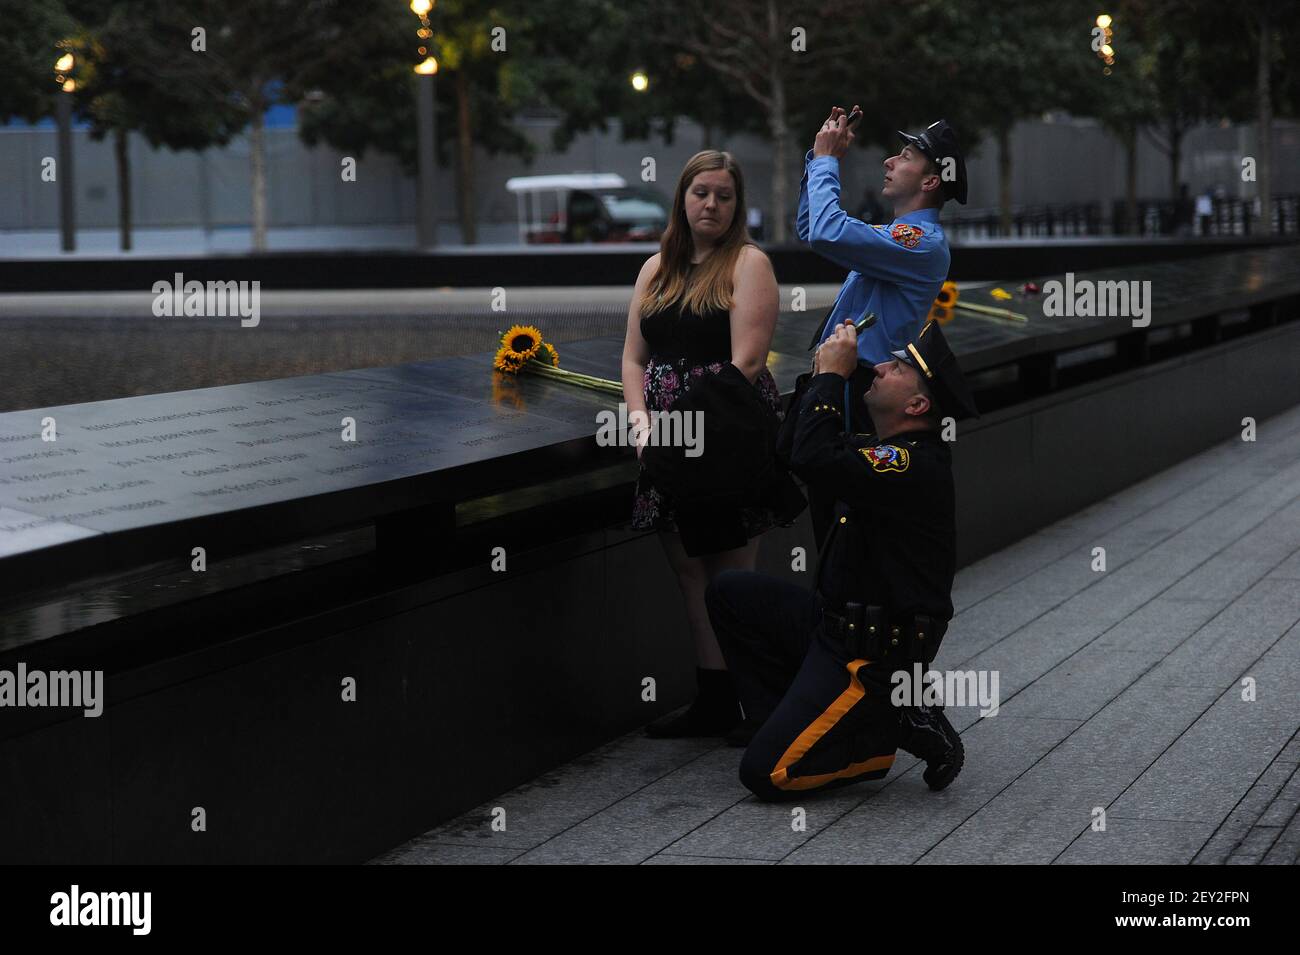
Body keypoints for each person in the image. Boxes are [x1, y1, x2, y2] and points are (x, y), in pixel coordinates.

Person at [705, 317, 979, 800]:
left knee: (767, 775)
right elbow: (793, 450)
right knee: (730, 592)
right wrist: (818, 377)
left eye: (896, 368)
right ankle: (787, 719)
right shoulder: (886, 452)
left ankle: (882, 734)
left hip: (870, 656)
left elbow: (815, 457)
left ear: (916, 405)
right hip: (832, 625)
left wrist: (834, 377)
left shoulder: (912, 463)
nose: (880, 366)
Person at [621, 150, 793, 738]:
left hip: (727, 434)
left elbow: (745, 362)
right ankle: (713, 699)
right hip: (666, 440)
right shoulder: (655, 269)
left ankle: (757, 703)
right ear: (682, 199)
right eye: (701, 194)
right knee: (690, 573)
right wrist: (643, 426)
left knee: (733, 574)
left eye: (723, 195)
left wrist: (680, 429)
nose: (711, 204)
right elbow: (632, 359)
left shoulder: (748, 264)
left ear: (737, 203)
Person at [783, 112, 967, 548]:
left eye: (904, 156)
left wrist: (827, 161)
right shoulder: (897, 235)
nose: (888, 161)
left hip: (864, 394)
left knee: (843, 529)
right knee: (831, 527)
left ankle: (840, 611)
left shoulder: (920, 242)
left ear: (929, 183)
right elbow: (813, 228)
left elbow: (827, 233)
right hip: (847, 385)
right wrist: (818, 160)